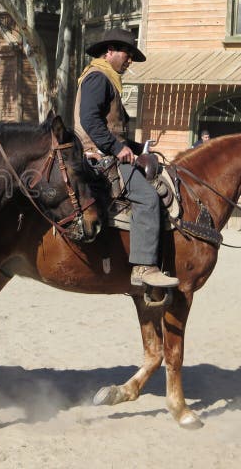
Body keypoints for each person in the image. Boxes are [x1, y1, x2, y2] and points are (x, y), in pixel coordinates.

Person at [73, 28, 179, 289]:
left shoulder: (107, 78)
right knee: (147, 197)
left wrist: (139, 147)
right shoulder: (98, 77)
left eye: (131, 54)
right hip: (98, 155)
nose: (130, 59)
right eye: (126, 53)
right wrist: (116, 148)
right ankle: (143, 266)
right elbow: (90, 120)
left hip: (108, 149)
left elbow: (111, 129)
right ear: (109, 51)